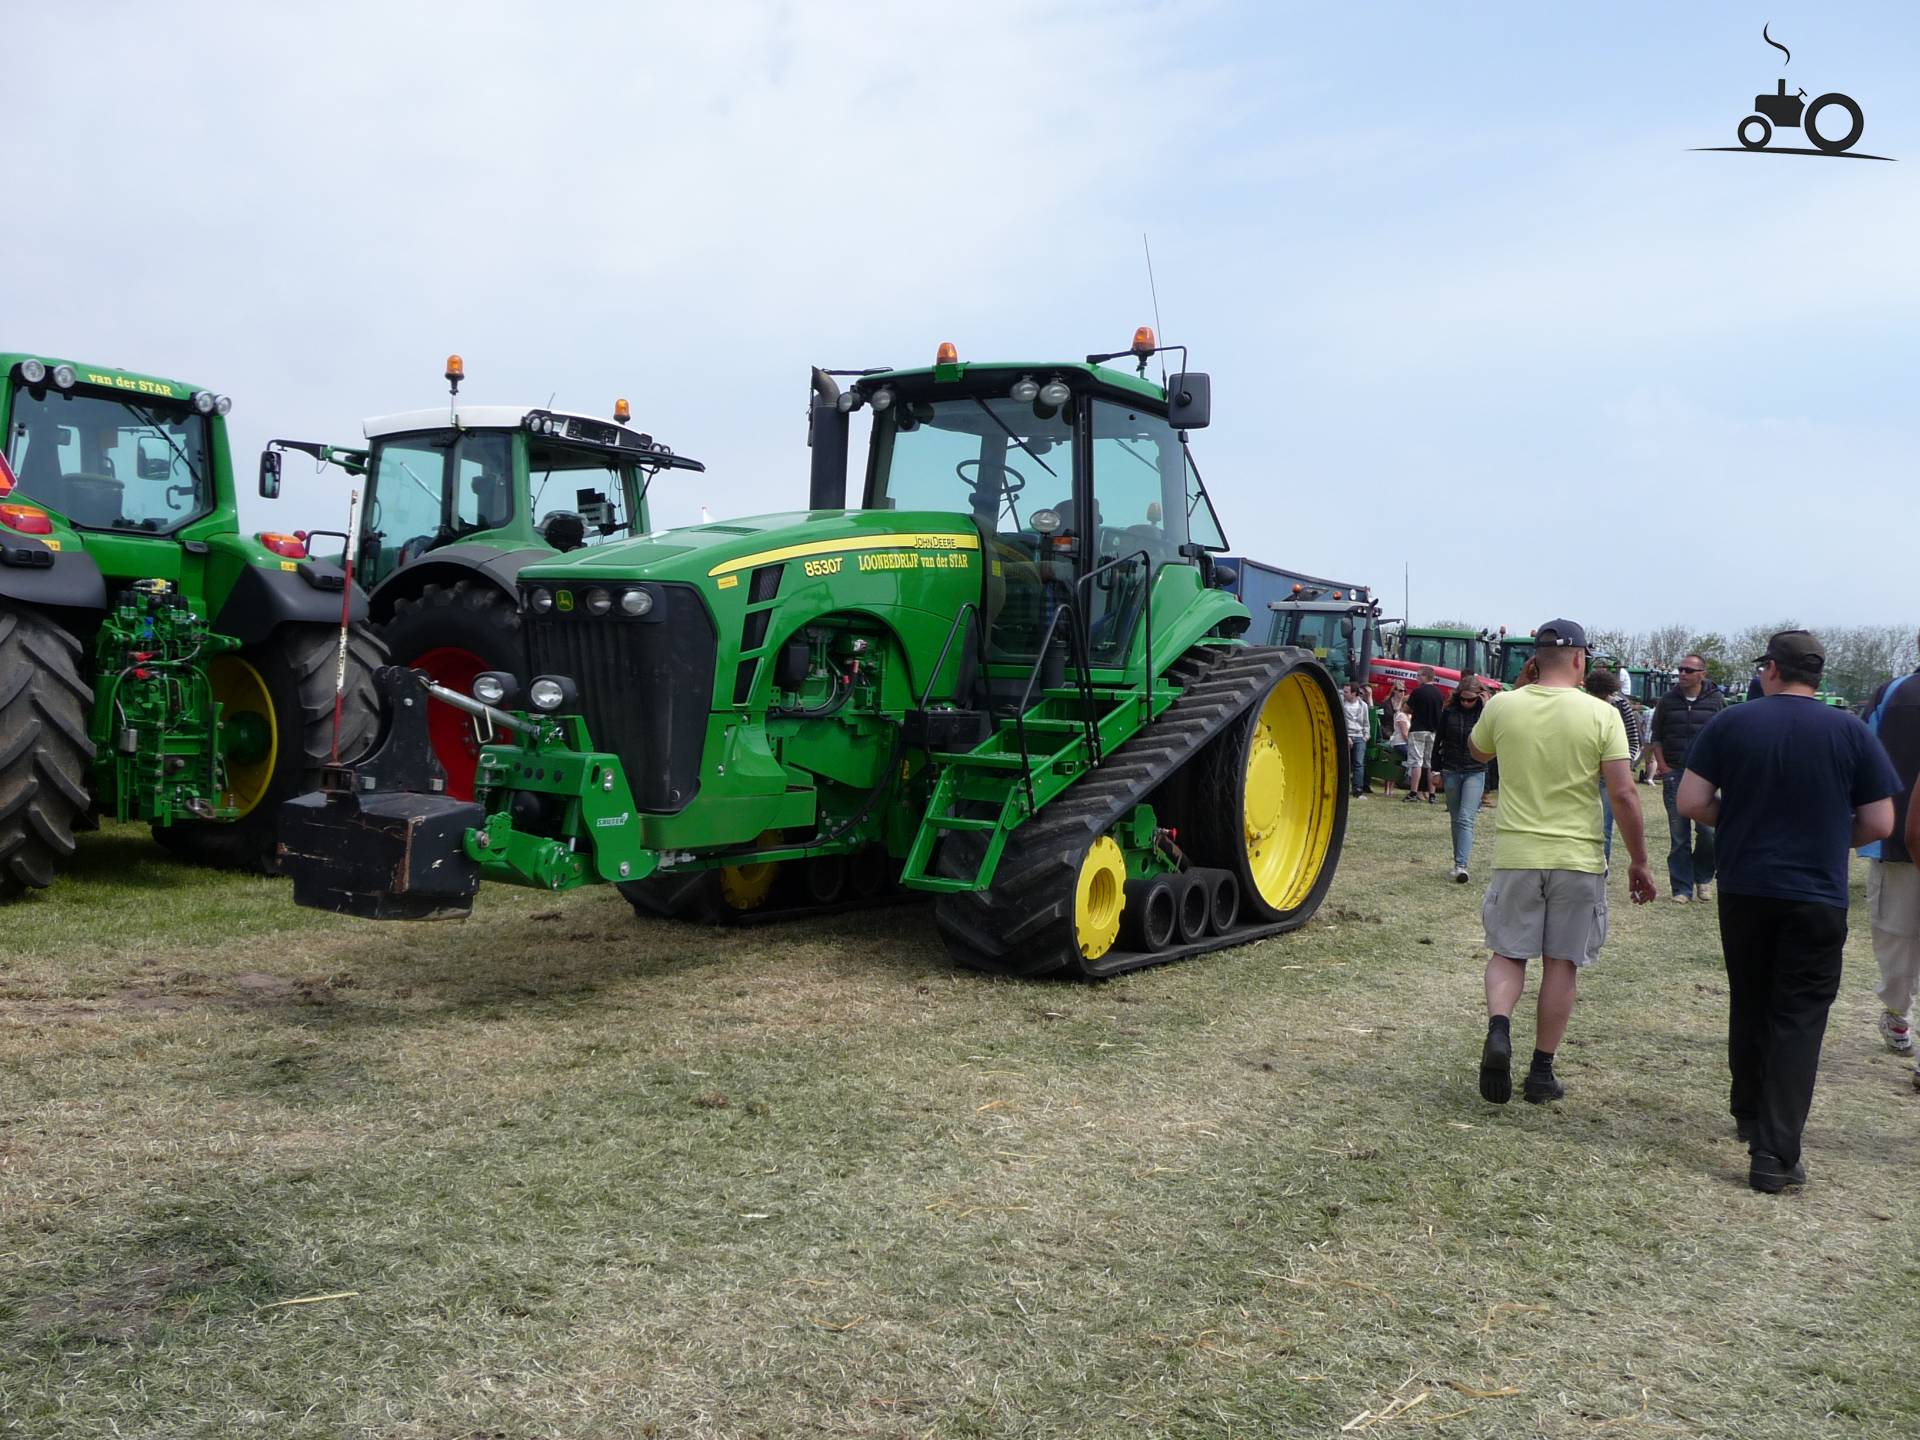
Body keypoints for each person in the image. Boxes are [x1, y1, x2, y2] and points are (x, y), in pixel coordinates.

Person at [1676, 631, 1899, 1192]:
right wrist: (1825, 837)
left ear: (1770, 670)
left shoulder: (1733, 722)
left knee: (1750, 998)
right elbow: (1879, 824)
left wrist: (1745, 823)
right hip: (1816, 891)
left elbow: (1691, 802)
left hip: (1748, 886)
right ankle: (1774, 1153)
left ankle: (1748, 1113)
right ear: (1816, 676)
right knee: (1799, 1016)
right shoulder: (1851, 730)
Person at [1467, 619, 1655, 1107]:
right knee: (1561, 963)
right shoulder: (1602, 714)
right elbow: (1623, 792)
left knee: (1508, 953)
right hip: (1577, 856)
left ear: (1534, 660)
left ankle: (1500, 1027)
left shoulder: (1504, 705)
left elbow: (1476, 749)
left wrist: (1515, 690)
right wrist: (1639, 860)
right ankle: (1541, 1072)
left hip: (1517, 853)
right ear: (1580, 660)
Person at [1859, 638, 1920, 1065]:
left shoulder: (1894, 691)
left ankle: (1898, 1015)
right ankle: (1897, 1015)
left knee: (1897, 937)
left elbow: (1864, 754)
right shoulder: (1894, 691)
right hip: (1897, 836)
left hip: (1897, 836)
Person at [1649, 654, 1725, 902]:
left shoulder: (1716, 700)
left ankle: (1703, 878)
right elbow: (1656, 736)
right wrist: (1663, 766)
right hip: (1675, 772)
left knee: (1708, 833)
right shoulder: (1667, 701)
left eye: (1689, 670)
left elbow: (1725, 735)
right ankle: (1682, 888)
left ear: (1702, 673)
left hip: (1705, 775)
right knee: (1679, 835)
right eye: (1681, 669)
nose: (1683, 674)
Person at [1433, 677, 1490, 882]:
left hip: (1475, 769)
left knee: (1466, 817)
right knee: (1456, 818)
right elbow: (1439, 739)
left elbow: (1492, 736)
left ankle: (1461, 865)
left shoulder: (1484, 713)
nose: (1467, 703)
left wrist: (1486, 707)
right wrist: (1435, 769)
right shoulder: (1449, 712)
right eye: (1463, 699)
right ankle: (1458, 861)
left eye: (1471, 700)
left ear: (1478, 697)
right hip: (1451, 768)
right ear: (1458, 697)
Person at [1584, 668, 1643, 864]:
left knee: (1604, 827)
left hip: (1609, 774)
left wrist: (1626, 767)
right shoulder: (1582, 705)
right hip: (1586, 772)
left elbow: (1633, 740)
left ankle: (1602, 869)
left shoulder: (1620, 706)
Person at [1406, 666, 1446, 805]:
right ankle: (1432, 794)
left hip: (1418, 729)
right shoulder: (1440, 693)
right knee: (1430, 763)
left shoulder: (1418, 692)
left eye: (1418, 676)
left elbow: (1407, 708)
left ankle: (1413, 792)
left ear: (1424, 676)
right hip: (1433, 731)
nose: (1417, 679)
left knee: (1416, 761)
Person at [1340, 682, 1373, 798]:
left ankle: (1358, 789)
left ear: (1354, 693)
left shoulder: (1363, 705)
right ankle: (1342, 789)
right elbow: (1340, 722)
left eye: (1346, 692)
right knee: (1344, 763)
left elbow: (1366, 722)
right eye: (1343, 691)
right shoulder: (1342, 704)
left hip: (1359, 736)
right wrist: (1346, 737)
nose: (1344, 694)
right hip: (1346, 735)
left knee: (1359, 763)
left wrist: (1366, 736)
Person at [1384, 685, 1412, 798]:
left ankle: (1392, 789)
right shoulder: (1401, 715)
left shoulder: (1409, 716)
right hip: (1400, 743)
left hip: (1405, 743)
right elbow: (1405, 734)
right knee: (1413, 758)